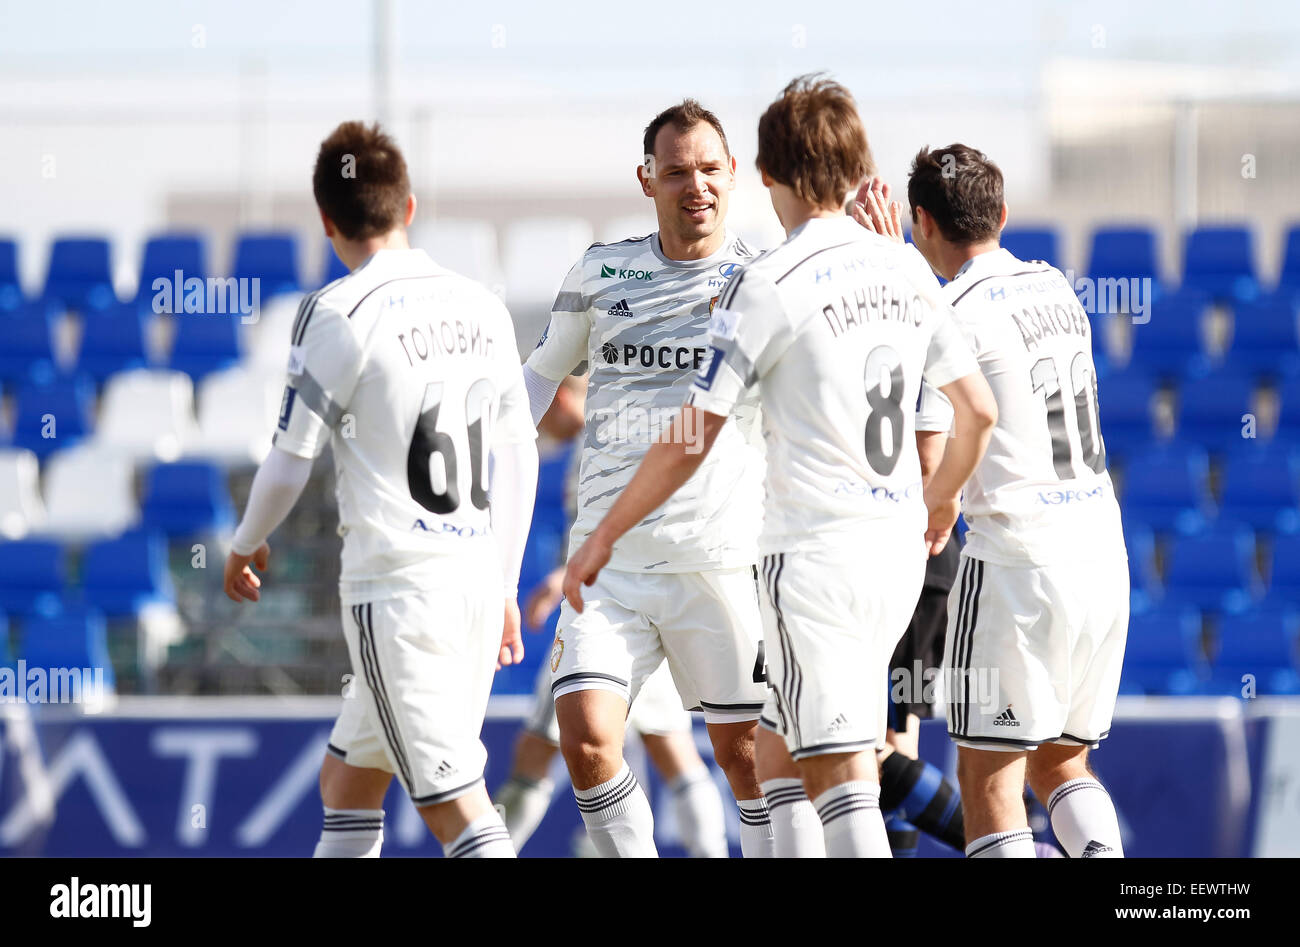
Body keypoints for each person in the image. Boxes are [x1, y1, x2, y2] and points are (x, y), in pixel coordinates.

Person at [564, 75, 998, 857]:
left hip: (815, 559)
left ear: (760, 172)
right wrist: (940, 502)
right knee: (778, 756)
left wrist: (602, 536)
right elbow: (978, 411)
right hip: (897, 557)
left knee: (840, 776)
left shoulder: (769, 281)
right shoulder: (903, 269)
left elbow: (693, 431)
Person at [222, 121, 538, 859]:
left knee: (456, 809)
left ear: (328, 222)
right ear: (410, 207)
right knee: (348, 781)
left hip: (398, 595)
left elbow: (291, 459)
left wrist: (244, 544)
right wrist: (503, 586)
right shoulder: (482, 306)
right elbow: (518, 454)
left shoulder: (340, 312)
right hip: (467, 584)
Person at [521, 98, 777, 858]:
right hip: (612, 570)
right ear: (647, 180)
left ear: (733, 175)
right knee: (589, 742)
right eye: (675, 172)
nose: (694, 185)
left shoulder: (764, 283)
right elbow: (529, 395)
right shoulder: (601, 274)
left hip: (722, 563)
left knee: (747, 763)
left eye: (707, 170)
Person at [903, 143, 1129, 858]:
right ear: (1002, 214)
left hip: (1018, 561)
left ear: (920, 222)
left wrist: (935, 507)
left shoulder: (948, 316)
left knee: (987, 775)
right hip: (1101, 550)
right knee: (1062, 761)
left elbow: (934, 454)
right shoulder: (1057, 289)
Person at [493, 378, 728, 857]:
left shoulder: (601, 437)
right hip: (646, 603)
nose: (539, 427)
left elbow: (627, 518)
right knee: (670, 750)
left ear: (559, 395)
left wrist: (563, 576)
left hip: (602, 607)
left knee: (537, 751)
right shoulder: (626, 422)